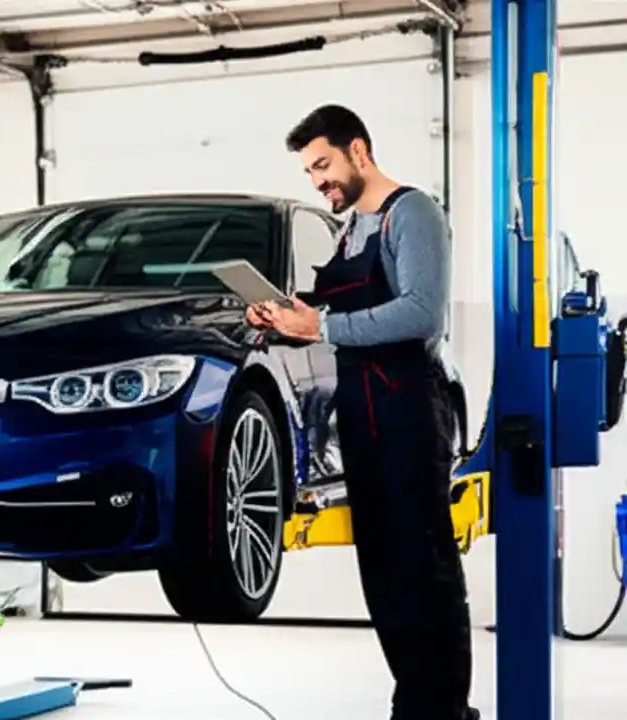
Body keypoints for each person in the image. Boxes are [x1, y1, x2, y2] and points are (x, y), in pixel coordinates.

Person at [247, 104, 478, 720]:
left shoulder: (413, 213)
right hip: (363, 417)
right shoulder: (353, 229)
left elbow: (421, 314)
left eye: (322, 164)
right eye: (309, 172)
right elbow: (333, 320)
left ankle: (445, 710)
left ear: (359, 150)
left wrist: (319, 322)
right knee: (382, 573)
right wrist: (283, 317)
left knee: (422, 566)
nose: (318, 180)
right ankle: (414, 704)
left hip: (408, 412)